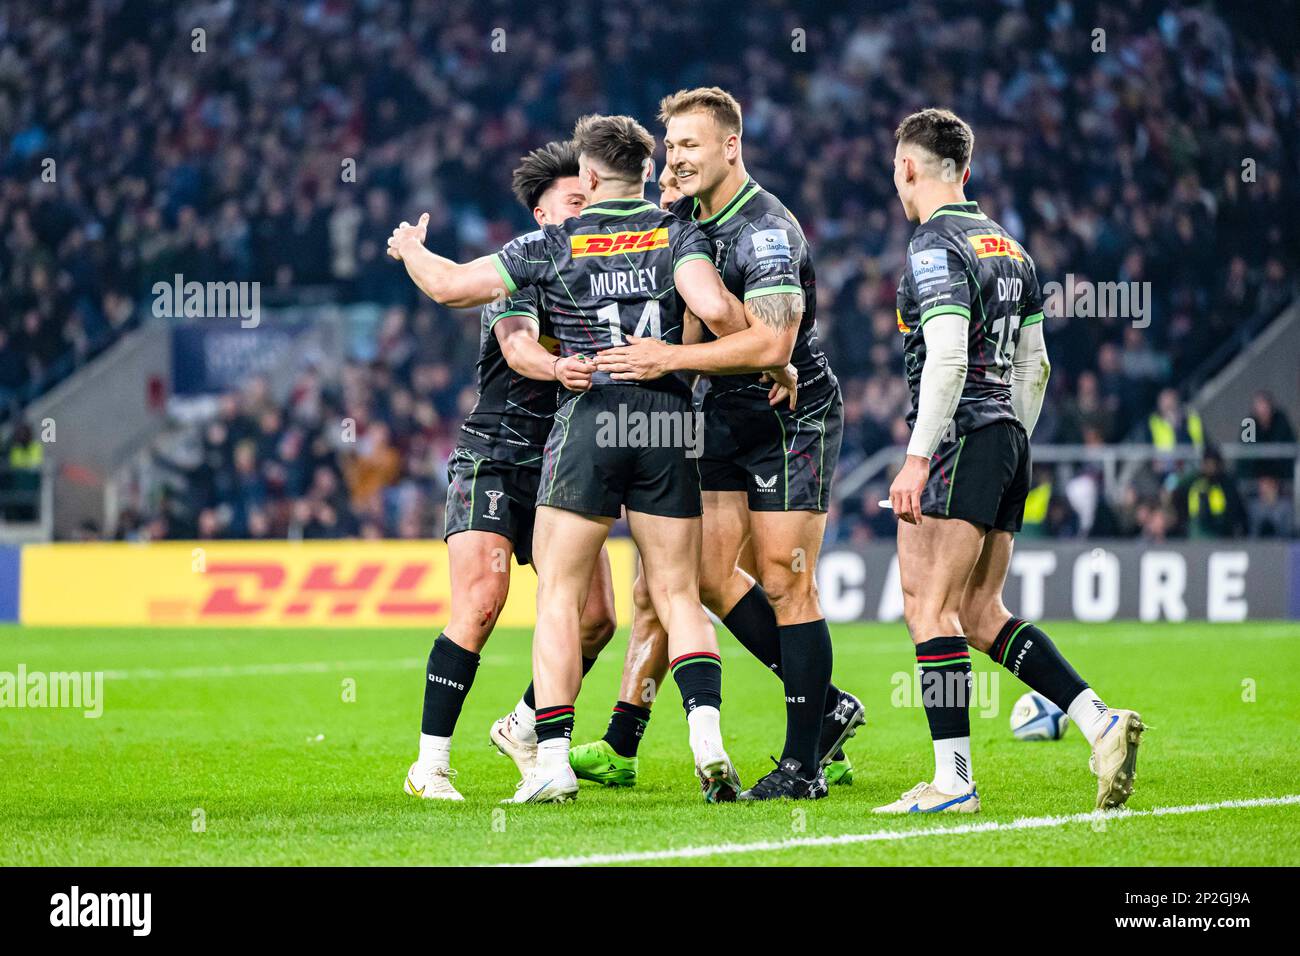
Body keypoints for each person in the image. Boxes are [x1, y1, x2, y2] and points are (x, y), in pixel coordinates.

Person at [389, 113, 794, 804]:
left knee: (562, 596)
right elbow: (717, 309)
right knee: (676, 590)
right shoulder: (678, 231)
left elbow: (452, 286)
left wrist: (409, 249)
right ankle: (708, 740)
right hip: (664, 421)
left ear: (593, 175)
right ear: (644, 170)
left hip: (589, 422)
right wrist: (767, 357)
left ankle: (551, 759)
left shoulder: (553, 245)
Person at [580, 87, 865, 801]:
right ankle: (828, 708)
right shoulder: (684, 220)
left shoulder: (766, 230)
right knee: (704, 572)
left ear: (731, 146)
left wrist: (670, 360)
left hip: (788, 419)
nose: (677, 157)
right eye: (671, 145)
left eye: (691, 145)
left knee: (785, 579)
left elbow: (773, 339)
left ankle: (802, 766)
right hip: (722, 413)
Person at [875, 108, 1143, 814]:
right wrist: (1009, 445)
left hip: (959, 436)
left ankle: (953, 778)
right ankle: (1098, 720)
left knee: (927, 607)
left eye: (894, 167)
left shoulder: (932, 246)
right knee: (981, 612)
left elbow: (950, 356)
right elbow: (1038, 368)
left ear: (909, 166)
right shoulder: (1012, 249)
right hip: (1004, 439)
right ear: (965, 170)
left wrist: (917, 456)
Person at [403, 142, 619, 800]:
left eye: (592, 198)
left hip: (566, 461)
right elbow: (518, 346)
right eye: (574, 201)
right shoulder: (524, 266)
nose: (586, 209)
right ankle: (430, 765)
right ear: (542, 211)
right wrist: (559, 368)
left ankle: (523, 725)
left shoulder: (602, 272)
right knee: (480, 604)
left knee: (598, 618)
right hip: (496, 456)